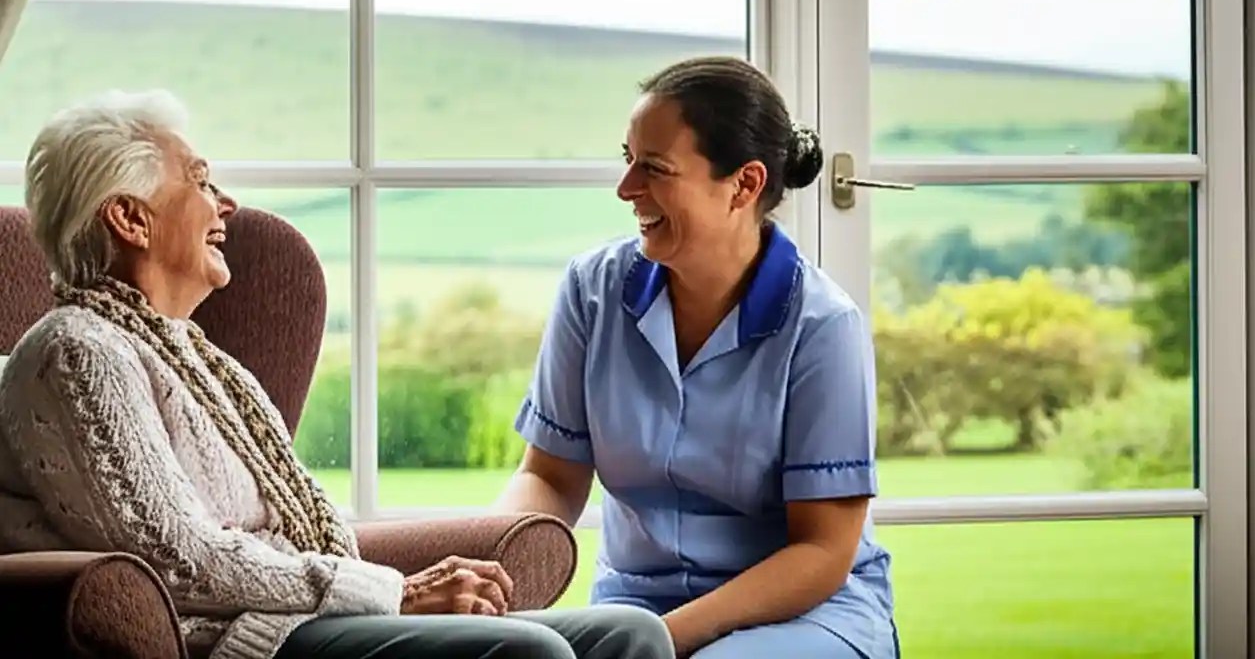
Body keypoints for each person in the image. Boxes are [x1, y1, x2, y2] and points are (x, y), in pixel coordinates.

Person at [0, 90, 675, 659]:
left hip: (310, 613)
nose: (225, 203)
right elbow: (183, 559)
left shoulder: (204, 362)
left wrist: (394, 590)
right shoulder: (78, 352)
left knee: (629, 634)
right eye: (201, 181)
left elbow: (297, 536)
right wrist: (399, 592)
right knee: (531, 654)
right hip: (245, 638)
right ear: (128, 217)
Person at [494, 56, 899, 658]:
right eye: (627, 159)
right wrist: (496, 572)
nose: (626, 188)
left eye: (654, 169)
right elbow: (550, 477)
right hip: (633, 606)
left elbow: (822, 552)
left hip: (806, 615)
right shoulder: (591, 292)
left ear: (744, 184)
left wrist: (665, 640)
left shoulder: (822, 327)